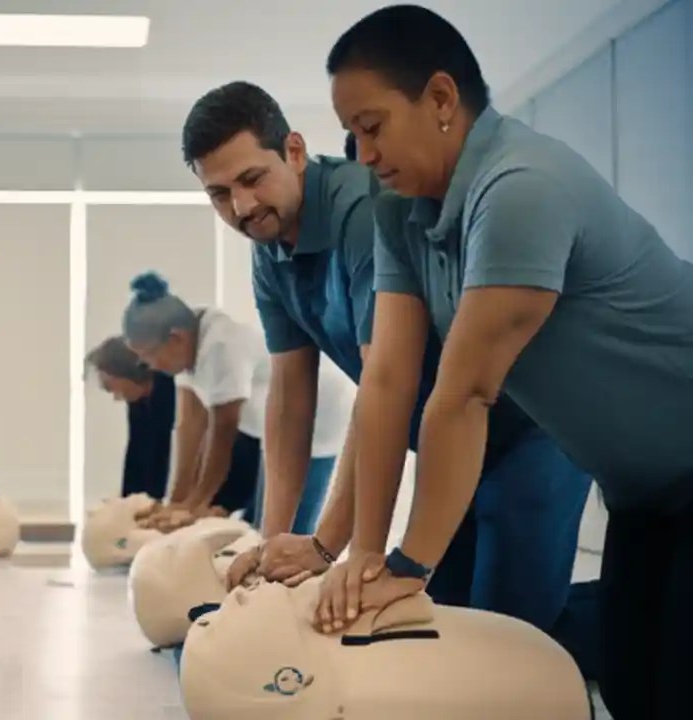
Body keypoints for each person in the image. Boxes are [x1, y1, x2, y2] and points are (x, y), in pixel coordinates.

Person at [321, 6, 693, 717]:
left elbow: (464, 393)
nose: (362, 154)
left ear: (440, 98)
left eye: (371, 127)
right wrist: (365, 553)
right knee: (631, 688)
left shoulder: (521, 185)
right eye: (352, 134)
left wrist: (409, 566)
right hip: (641, 491)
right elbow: (390, 379)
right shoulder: (399, 208)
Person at [185, 79, 596, 674]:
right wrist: (272, 544)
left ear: (294, 151)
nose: (242, 207)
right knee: (444, 623)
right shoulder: (269, 248)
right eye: (220, 194)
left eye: (252, 179)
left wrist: (328, 545)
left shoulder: (362, 212)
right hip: (446, 441)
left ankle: (655, 621)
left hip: (529, 426)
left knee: (508, 634)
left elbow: (385, 385)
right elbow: (291, 404)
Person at [122, 272, 334, 530]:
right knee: (253, 529)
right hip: (269, 426)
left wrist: (197, 502)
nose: (151, 366)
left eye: (149, 356)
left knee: (282, 533)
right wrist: (177, 502)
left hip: (317, 417)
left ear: (175, 338)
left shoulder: (221, 344)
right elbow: (190, 427)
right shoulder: (188, 341)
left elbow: (223, 430)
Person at [85, 335, 176, 500]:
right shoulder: (138, 401)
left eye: (111, 387)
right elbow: (136, 454)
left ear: (123, 370)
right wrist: (129, 502)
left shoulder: (173, 389)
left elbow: (169, 454)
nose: (116, 397)